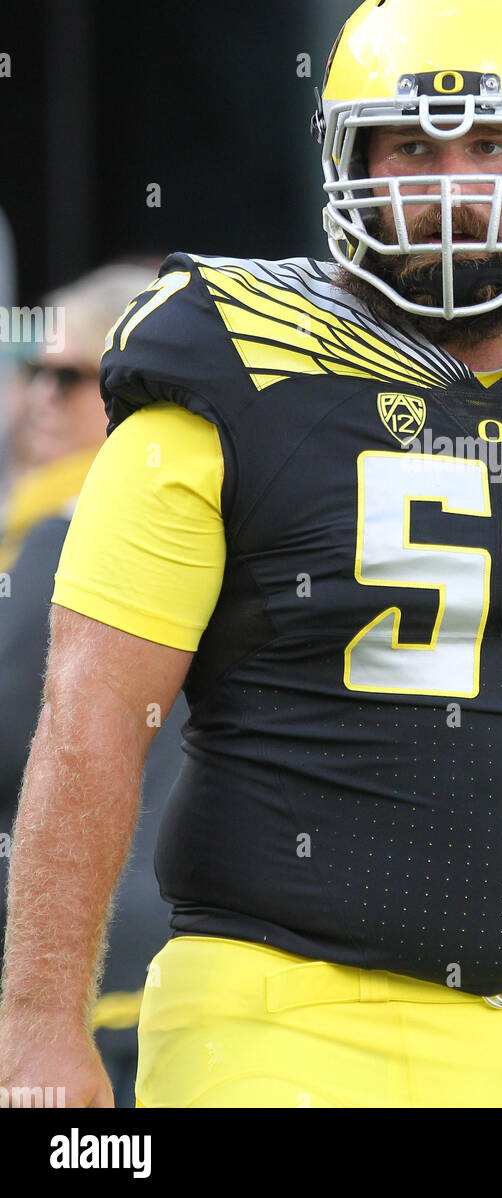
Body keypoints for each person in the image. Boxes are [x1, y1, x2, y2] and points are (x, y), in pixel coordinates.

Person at [0, 0, 502, 1109]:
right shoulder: (232, 359)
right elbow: (92, 717)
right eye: (410, 149)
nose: (450, 186)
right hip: (277, 1027)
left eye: (492, 148)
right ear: (350, 161)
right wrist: (37, 1035)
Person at [0, 264, 190, 1107]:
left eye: (70, 378)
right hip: (215, 976)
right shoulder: (268, 524)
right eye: (34, 372)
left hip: (89, 981)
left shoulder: (59, 535)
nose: (39, 398)